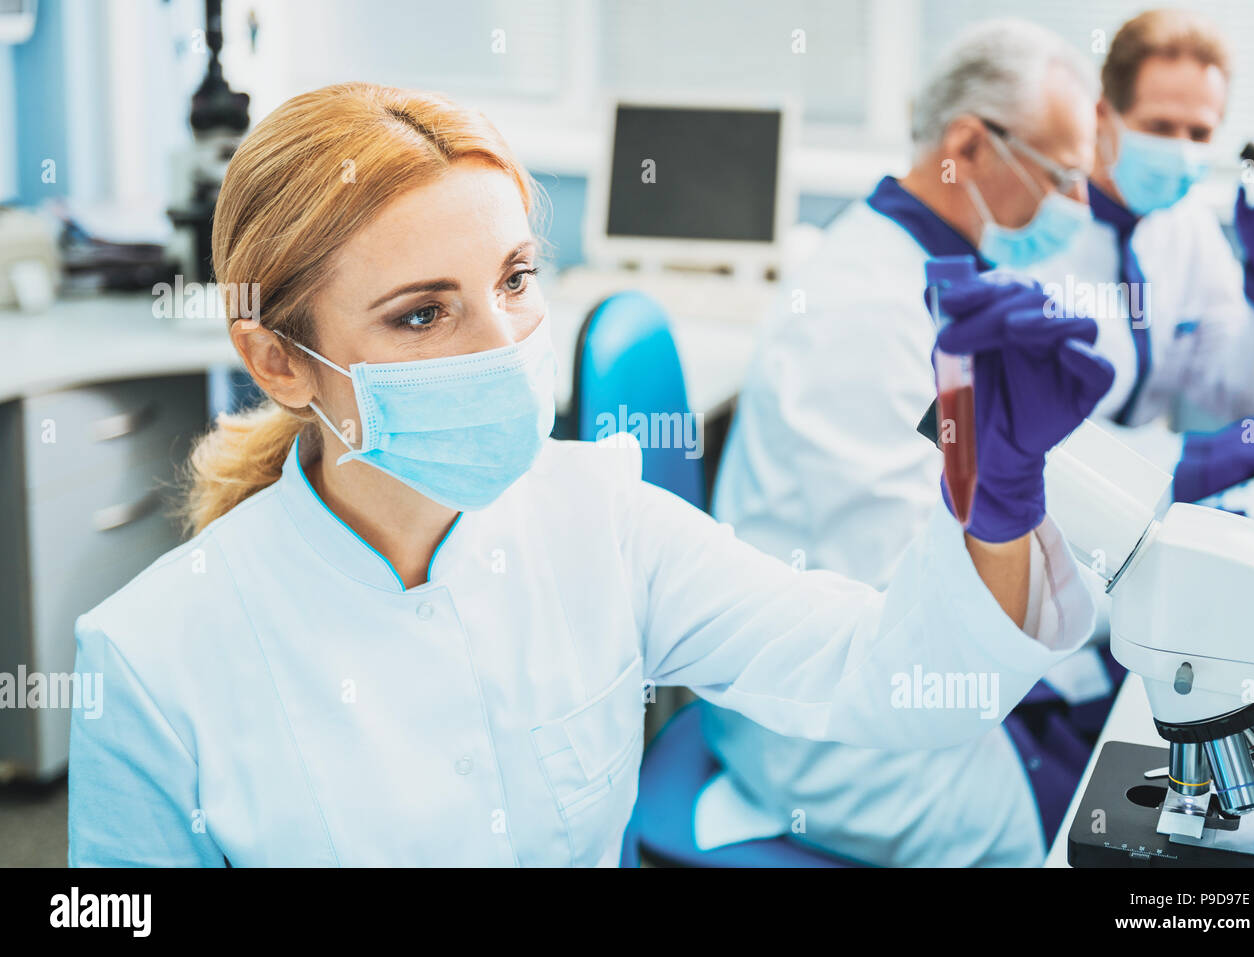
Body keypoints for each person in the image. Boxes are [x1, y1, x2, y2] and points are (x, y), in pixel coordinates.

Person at [65, 82, 1112, 867]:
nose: (502, 342)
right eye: (423, 313)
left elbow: (885, 681)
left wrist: (994, 503)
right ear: (280, 361)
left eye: (515, 280)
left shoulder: (601, 520)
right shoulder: (153, 662)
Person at [702, 20, 1117, 867]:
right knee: (1089, 831)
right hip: (839, 726)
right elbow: (887, 586)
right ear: (969, 143)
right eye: (1062, 175)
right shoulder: (863, 308)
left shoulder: (936, 277)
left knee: (1102, 741)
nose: (1078, 205)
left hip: (914, 669)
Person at [1028, 8, 1254, 502]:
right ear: (1102, 115)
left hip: (1141, 515)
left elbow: (1248, 397)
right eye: (1159, 126)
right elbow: (1013, 431)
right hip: (1047, 510)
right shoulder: (1033, 228)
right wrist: (1172, 463)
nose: (1180, 149)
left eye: (1198, 133)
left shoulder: (1185, 223)